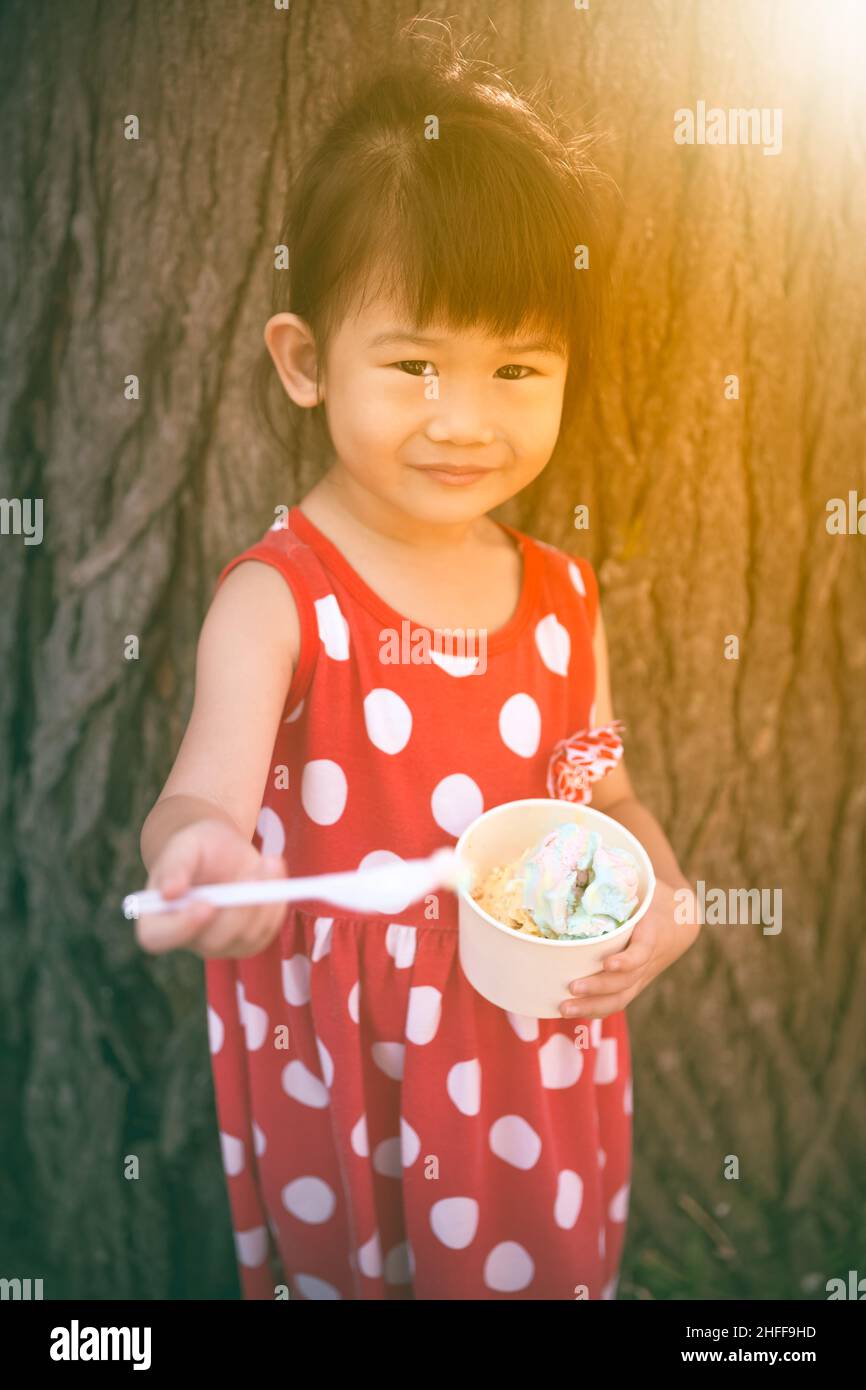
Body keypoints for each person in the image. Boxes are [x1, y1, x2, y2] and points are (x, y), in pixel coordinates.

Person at [137, 20, 699, 1301]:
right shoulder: (283, 598)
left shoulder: (561, 598)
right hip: (354, 1066)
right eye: (410, 364)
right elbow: (200, 797)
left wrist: (662, 896)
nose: (465, 417)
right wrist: (201, 857)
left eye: (515, 367)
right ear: (303, 361)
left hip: (532, 1057)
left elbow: (601, 798)